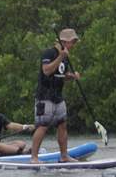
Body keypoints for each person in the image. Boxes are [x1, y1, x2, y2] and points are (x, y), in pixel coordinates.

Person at [30, 27, 81, 163]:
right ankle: (34, 157)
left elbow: (60, 75)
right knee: (43, 126)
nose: (73, 45)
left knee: (62, 125)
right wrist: (60, 57)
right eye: (72, 42)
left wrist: (72, 76)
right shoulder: (49, 53)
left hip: (58, 96)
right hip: (44, 96)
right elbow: (46, 71)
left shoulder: (65, 56)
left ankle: (64, 156)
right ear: (64, 42)